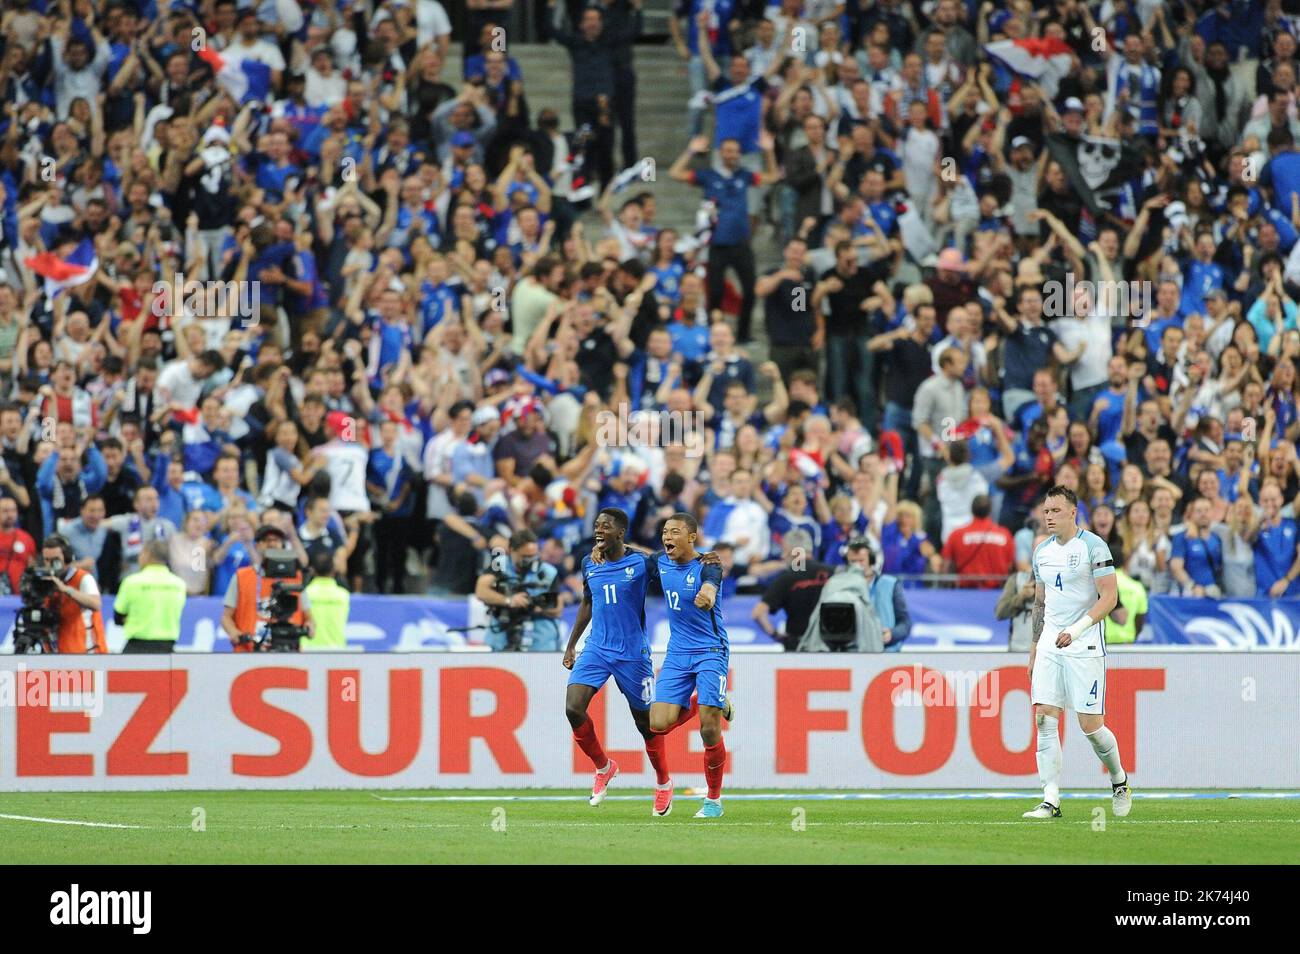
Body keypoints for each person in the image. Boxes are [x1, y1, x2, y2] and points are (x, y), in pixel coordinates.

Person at [561, 509, 680, 812]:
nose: (599, 530)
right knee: (573, 708)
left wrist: (704, 564)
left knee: (648, 725)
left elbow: (674, 563)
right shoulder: (589, 563)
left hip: (632, 654)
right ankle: (603, 767)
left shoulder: (641, 562)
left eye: (606, 526)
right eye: (597, 525)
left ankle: (664, 782)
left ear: (621, 532)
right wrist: (572, 645)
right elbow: (588, 602)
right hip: (597, 648)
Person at [1024, 486, 1131, 820]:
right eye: (1045, 511)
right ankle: (1050, 799)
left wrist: (1077, 629)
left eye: (1055, 511)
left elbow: (1109, 597)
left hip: (1083, 644)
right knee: (1044, 717)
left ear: (1073, 512)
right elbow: (1040, 602)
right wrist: (1033, 646)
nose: (1049, 517)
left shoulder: (1093, 546)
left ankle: (1119, 780)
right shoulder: (1041, 551)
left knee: (1091, 728)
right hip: (1050, 645)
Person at [646, 513, 733, 817]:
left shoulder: (708, 564)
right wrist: (605, 549)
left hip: (710, 650)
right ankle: (703, 701)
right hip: (678, 653)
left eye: (675, 532)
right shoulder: (660, 561)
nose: (667, 536)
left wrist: (707, 595)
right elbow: (633, 556)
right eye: (665, 531)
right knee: (657, 723)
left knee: (709, 729)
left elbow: (711, 586)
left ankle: (713, 800)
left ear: (692, 537)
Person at [220, 523, 312, 652]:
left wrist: (309, 627)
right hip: (249, 651)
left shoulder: (295, 578)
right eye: (266, 540)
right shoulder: (241, 577)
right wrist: (234, 633)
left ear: (283, 545)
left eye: (276, 540)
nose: (272, 544)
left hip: (288, 650)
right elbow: (226, 617)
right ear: (257, 545)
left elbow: (309, 618)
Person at [474, 529, 564, 651]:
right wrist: (509, 600)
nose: (530, 560)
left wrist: (532, 605)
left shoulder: (548, 571)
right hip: (503, 633)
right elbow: (481, 590)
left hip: (539, 638)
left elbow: (557, 608)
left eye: (533, 555)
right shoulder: (500, 564)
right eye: (525, 556)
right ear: (512, 550)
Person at [752, 529, 833, 650]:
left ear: (794, 551)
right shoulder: (833, 573)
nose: (782, 556)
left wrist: (776, 635)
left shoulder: (786, 579)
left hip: (798, 648)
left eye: (784, 551)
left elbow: (758, 613)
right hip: (830, 646)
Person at [112, 540, 188, 653]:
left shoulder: (131, 582)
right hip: (167, 650)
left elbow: (118, 617)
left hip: (136, 648)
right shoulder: (179, 584)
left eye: (141, 553)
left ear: (147, 554)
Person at [43, 533, 107, 654]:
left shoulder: (83, 578)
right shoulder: (45, 581)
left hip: (87, 654)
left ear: (67, 558)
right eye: (47, 560)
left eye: (56, 560)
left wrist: (67, 590)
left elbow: (96, 604)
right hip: (58, 654)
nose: (50, 565)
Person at [300, 549, 351, 651]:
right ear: (333, 570)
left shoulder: (304, 594)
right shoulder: (344, 595)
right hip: (337, 651)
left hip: (308, 651)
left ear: (312, 571)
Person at [1104, 544, 1149, 646]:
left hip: (1103, 643)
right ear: (1124, 562)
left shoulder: (1100, 584)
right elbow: (1140, 620)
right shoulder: (1137, 587)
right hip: (1127, 644)